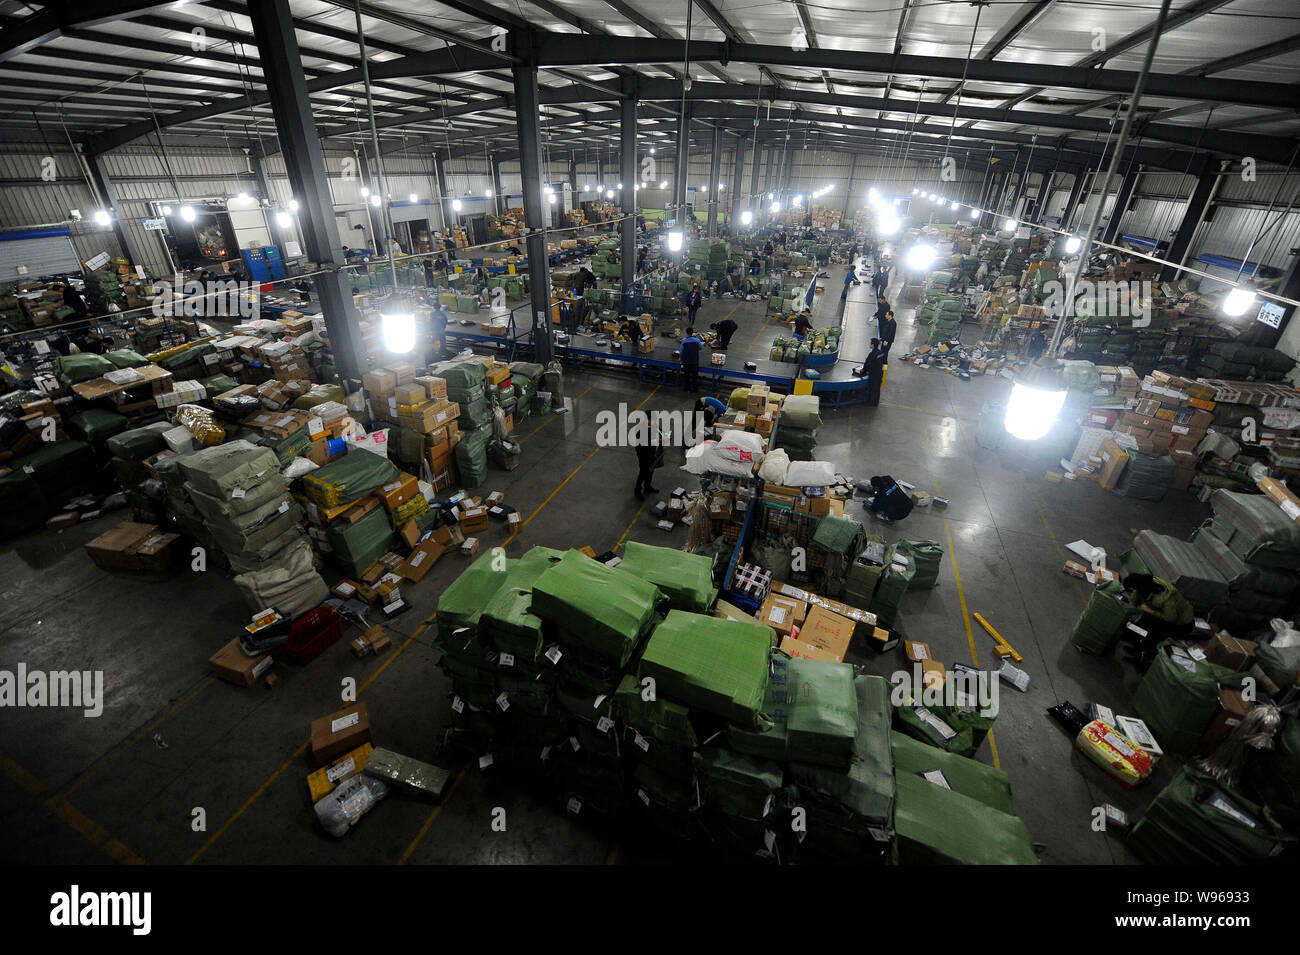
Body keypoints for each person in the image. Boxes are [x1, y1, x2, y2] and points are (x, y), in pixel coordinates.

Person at [1121, 572, 1195, 670]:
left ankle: (1142, 660)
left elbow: (1170, 618)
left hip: (1182, 624)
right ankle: (1138, 647)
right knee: (1145, 623)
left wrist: (1151, 611)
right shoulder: (1145, 582)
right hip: (1165, 614)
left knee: (1155, 636)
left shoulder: (1165, 597)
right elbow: (1136, 592)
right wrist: (1130, 605)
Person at [633, 424, 664, 501]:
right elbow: (640, 446)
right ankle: (637, 491)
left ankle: (647, 486)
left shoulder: (655, 428)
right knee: (643, 473)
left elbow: (661, 433)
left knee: (651, 471)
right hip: (643, 456)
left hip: (652, 454)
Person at [862, 338, 885, 406]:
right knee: (877, 389)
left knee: (872, 389)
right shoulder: (881, 353)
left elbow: (867, 363)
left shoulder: (872, 354)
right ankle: (876, 402)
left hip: (873, 374)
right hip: (879, 373)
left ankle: (870, 402)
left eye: (870, 343)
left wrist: (864, 370)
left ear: (873, 345)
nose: (870, 345)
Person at [680, 326, 702, 392]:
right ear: (692, 332)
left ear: (686, 333)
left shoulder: (684, 341)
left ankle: (687, 388)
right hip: (695, 361)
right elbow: (700, 347)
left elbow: (681, 352)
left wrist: (681, 359)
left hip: (686, 362)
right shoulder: (697, 340)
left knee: (686, 376)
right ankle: (695, 389)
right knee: (695, 376)